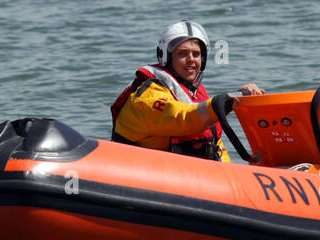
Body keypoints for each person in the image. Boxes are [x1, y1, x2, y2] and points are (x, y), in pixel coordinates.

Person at [111, 20, 263, 160]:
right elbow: (181, 117)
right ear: (167, 57)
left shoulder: (193, 94)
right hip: (146, 176)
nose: (191, 59)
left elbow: (216, 145)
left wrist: (242, 99)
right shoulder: (145, 97)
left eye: (196, 54)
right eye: (182, 53)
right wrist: (225, 103)